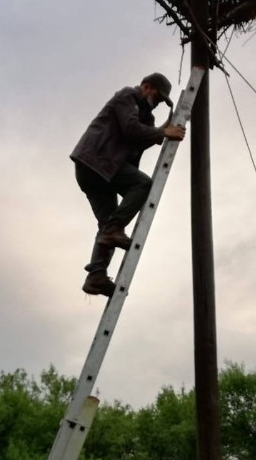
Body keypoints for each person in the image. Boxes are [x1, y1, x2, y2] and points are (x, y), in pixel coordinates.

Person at [70, 72, 186, 298]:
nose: (157, 102)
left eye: (162, 101)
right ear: (146, 87)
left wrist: (163, 129)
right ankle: (113, 230)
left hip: (102, 168)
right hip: (96, 161)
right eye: (158, 96)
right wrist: (164, 132)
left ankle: (96, 276)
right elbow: (131, 129)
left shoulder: (147, 118)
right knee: (143, 185)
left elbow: (140, 141)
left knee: (108, 223)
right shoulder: (127, 96)